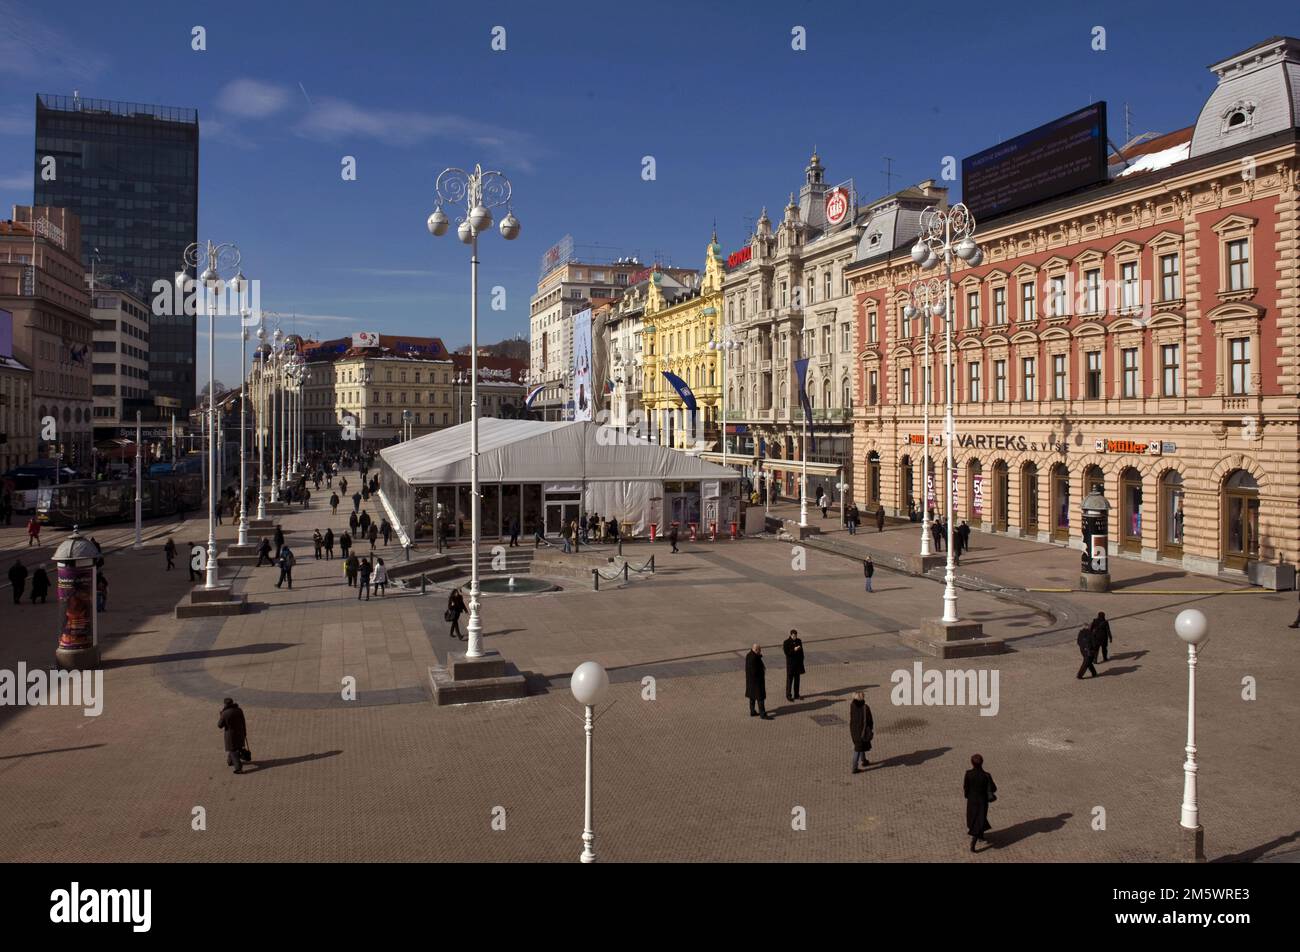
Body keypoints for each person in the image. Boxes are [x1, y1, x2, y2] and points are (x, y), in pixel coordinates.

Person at [964, 754, 997, 851]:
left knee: (973, 818)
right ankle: (974, 840)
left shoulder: (968, 773)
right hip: (982, 802)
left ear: (972, 763)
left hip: (972, 801)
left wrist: (967, 796)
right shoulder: (986, 775)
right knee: (980, 818)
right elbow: (994, 788)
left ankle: (980, 835)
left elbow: (966, 787)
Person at [218, 698, 249, 775]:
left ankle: (239, 768)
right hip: (240, 732)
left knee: (232, 750)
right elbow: (243, 721)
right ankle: (230, 761)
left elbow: (220, 725)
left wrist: (221, 716)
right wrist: (245, 732)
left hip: (230, 735)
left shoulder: (225, 713)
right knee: (236, 747)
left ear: (225, 704)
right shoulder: (239, 710)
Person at [849, 691, 874, 772]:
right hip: (862, 731)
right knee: (858, 749)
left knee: (860, 745)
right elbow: (870, 720)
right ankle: (854, 767)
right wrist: (870, 728)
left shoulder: (852, 706)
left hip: (854, 730)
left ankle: (864, 760)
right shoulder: (865, 708)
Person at [745, 644, 770, 719]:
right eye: (759, 650)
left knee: (752, 697)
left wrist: (759, 656)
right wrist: (762, 671)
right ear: (756, 650)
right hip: (757, 682)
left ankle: (752, 711)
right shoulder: (754, 658)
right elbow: (755, 671)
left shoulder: (749, 655)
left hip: (750, 682)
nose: (760, 652)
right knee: (760, 698)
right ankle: (762, 714)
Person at [782, 629, 805, 702]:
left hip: (797, 665)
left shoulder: (799, 641)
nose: (795, 637)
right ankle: (788, 695)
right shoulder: (786, 642)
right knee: (789, 681)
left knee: (797, 680)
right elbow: (787, 653)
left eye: (796, 635)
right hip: (791, 665)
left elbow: (801, 652)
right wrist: (794, 650)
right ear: (791, 635)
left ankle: (796, 694)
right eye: (794, 636)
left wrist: (802, 661)